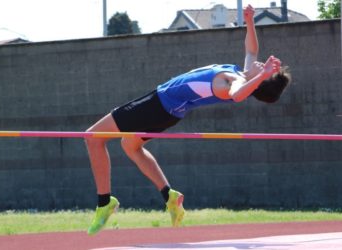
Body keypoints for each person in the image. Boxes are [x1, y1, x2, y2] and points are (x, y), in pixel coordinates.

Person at [85, 4, 291, 235]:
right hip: (168, 111)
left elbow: (238, 95)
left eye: (267, 72)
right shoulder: (241, 74)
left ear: (261, 82)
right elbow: (251, 50)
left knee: (93, 137)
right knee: (130, 146)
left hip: (158, 105)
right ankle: (169, 196)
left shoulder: (234, 83)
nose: (263, 65)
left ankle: (104, 203)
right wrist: (250, 21)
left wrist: (262, 75)